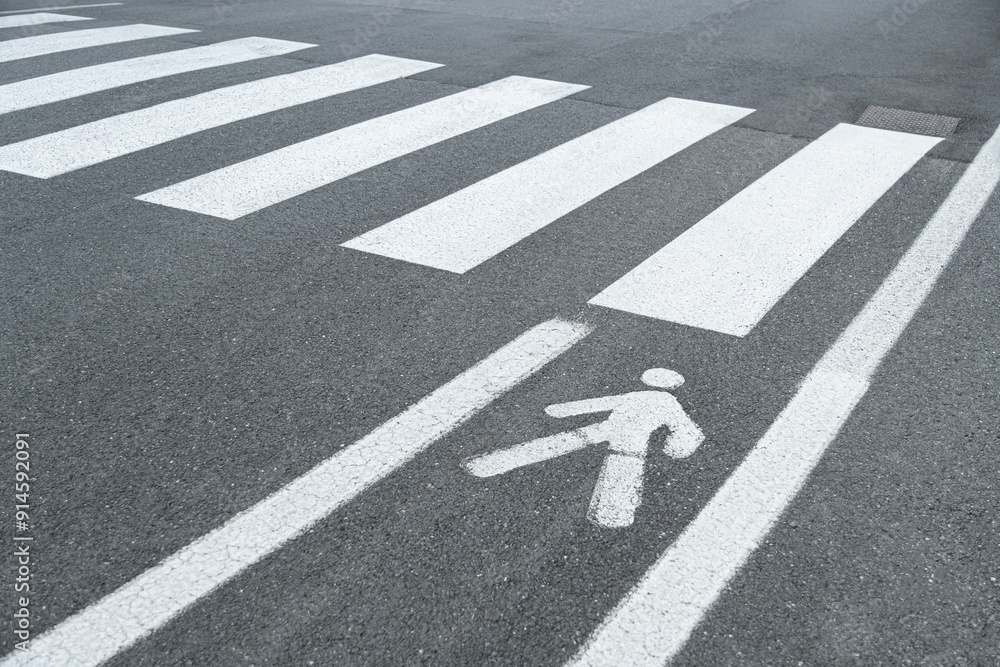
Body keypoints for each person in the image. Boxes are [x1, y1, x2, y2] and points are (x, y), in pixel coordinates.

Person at [462, 368, 704, 528]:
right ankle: (613, 514)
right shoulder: (668, 403)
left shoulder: (637, 395)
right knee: (623, 468)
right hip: (633, 440)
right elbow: (684, 428)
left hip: (605, 428)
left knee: (561, 441)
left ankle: (492, 462)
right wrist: (678, 446)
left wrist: (563, 409)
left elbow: (598, 403)